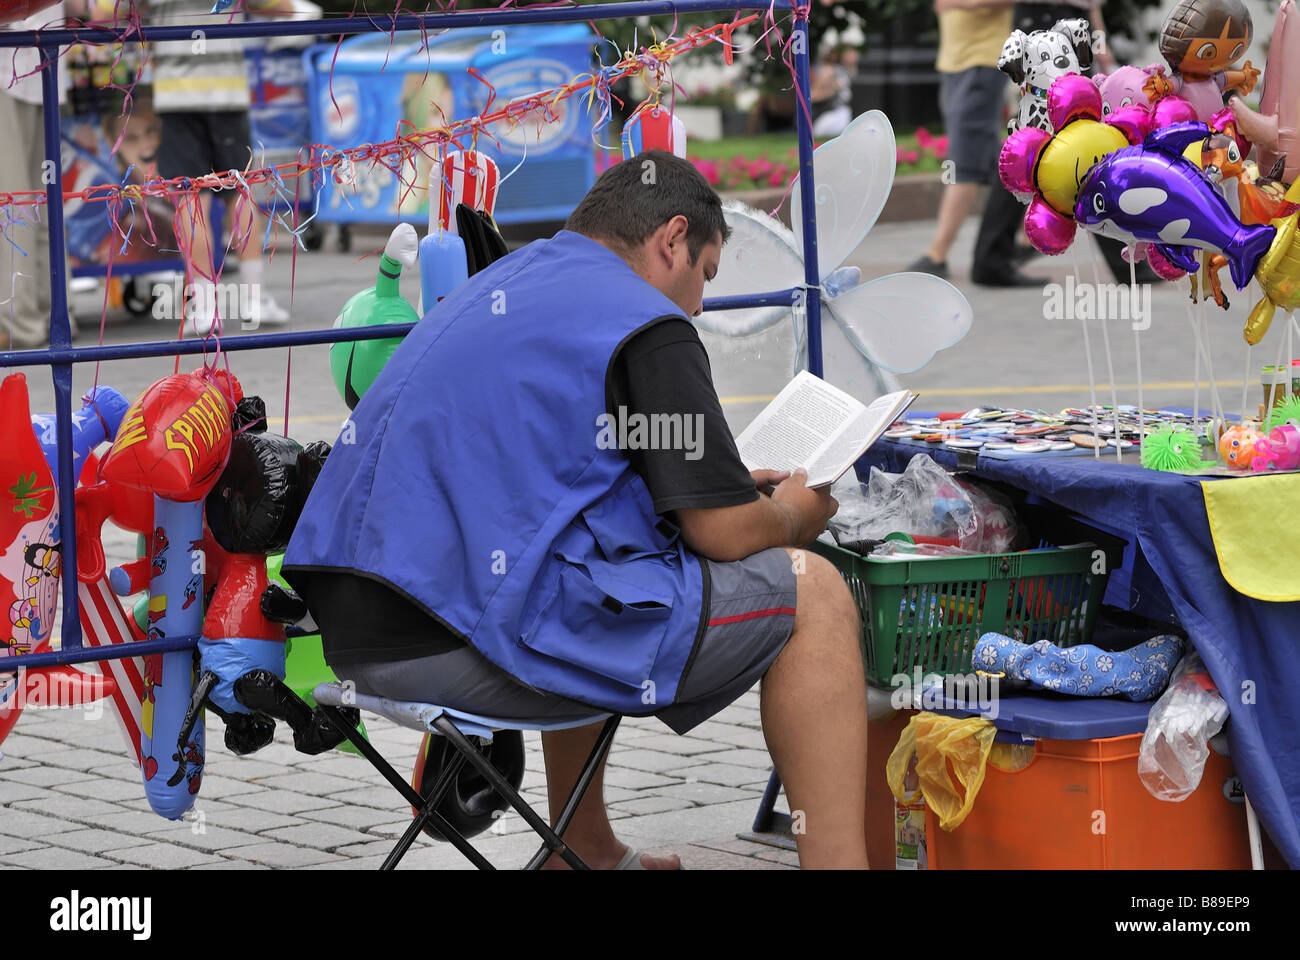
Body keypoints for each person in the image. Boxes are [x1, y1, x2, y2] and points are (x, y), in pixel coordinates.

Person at [283, 151, 871, 870]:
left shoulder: (507, 279)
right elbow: (721, 533)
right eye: (705, 276)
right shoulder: (647, 319)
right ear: (672, 239)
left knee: (609, 557)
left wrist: (713, 478)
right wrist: (788, 515)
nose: (698, 304)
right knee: (816, 594)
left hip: (356, 634)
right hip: (453, 645)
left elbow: (568, 470)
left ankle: (582, 850)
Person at [139, 0, 292, 335]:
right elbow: (274, 6)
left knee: (191, 199)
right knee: (239, 192)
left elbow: (118, 12)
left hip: (176, 89)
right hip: (225, 85)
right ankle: (254, 297)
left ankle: (206, 306)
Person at [907, 0, 1027, 284]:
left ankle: (938, 253)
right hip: (954, 61)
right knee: (991, 155)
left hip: (981, 60)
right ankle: (1024, 238)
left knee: (966, 158)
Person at [0, 2, 75, 350]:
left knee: (16, 201)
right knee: (41, 201)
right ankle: (55, 314)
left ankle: (21, 324)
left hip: (18, 56)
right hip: (40, 52)